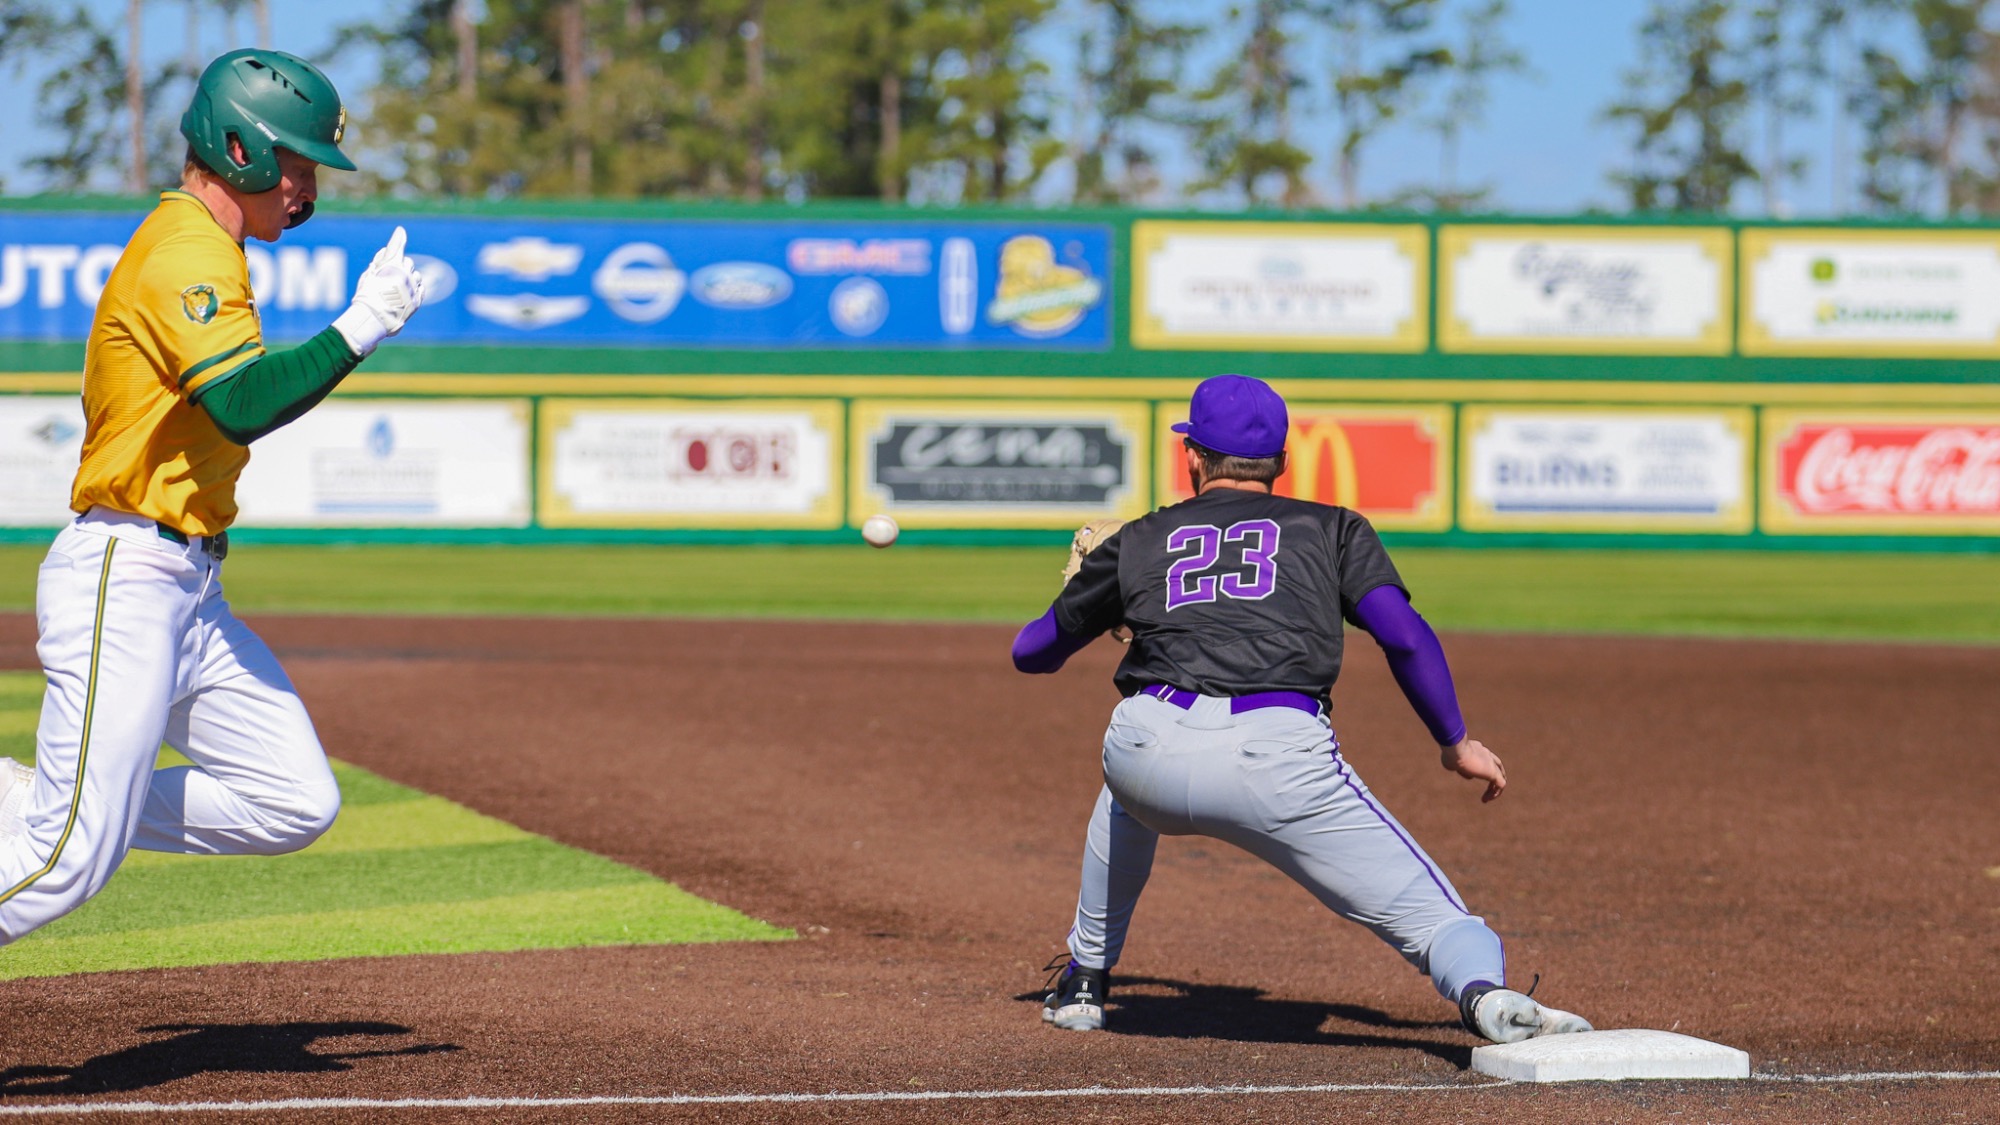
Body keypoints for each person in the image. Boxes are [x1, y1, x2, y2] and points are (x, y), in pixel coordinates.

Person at [1012, 374, 1593, 1045]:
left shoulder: (1141, 538)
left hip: (1148, 747)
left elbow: (1034, 653)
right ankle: (1483, 993)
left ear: (1191, 457)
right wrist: (1454, 739)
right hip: (1278, 759)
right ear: (1282, 464)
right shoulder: (1334, 529)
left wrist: (1094, 592)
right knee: (1429, 917)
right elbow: (1405, 636)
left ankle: (1085, 980)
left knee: (1123, 783)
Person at [0, 49, 426, 942]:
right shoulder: (186, 249)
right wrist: (360, 327)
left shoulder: (212, 247)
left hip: (188, 592)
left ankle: (65, 795)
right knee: (68, 857)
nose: (309, 186)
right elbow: (237, 406)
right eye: (299, 163)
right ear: (242, 149)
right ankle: (72, 806)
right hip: (125, 572)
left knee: (292, 799)